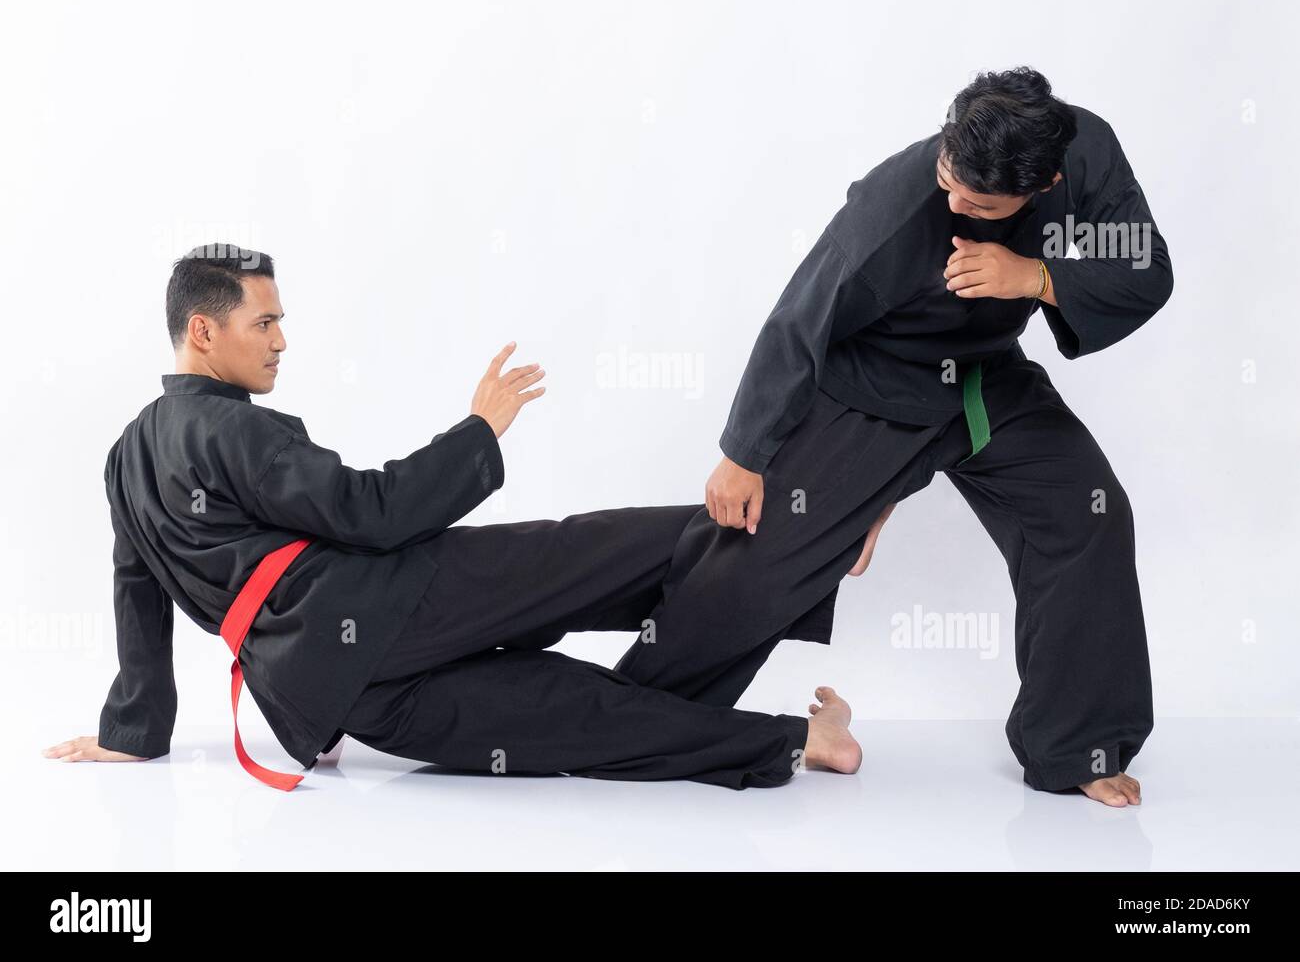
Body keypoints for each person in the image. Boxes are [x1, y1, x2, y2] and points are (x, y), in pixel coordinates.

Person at [42, 247, 861, 789]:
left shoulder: (123, 458)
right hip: (389, 599)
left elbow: (135, 596)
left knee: (570, 719)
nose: (282, 340)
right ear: (202, 329)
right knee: (611, 552)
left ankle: (796, 742)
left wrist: (135, 729)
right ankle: (807, 541)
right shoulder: (232, 427)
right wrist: (481, 428)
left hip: (325, 695)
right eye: (264, 322)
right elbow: (372, 511)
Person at [614, 67, 1172, 807]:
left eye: (977, 201)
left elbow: (1147, 272)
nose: (954, 201)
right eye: (950, 178)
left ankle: (1075, 743)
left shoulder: (1086, 152)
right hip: (872, 391)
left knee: (1088, 511)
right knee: (759, 563)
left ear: (1042, 186)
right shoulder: (896, 205)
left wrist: (1033, 276)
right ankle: (621, 715)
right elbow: (799, 319)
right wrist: (743, 453)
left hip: (982, 381)